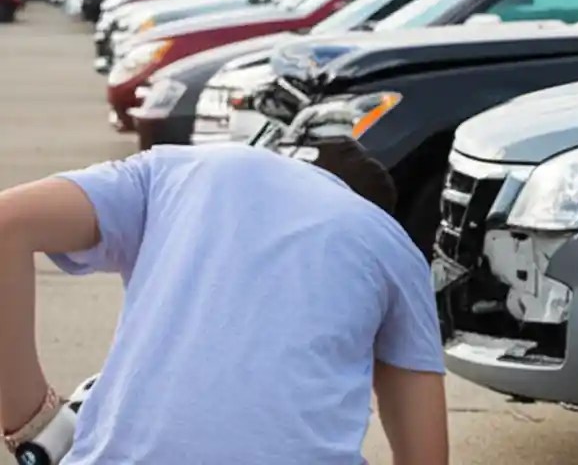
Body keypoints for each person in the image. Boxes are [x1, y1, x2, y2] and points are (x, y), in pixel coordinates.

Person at [0, 139, 448, 464]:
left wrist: (33, 425)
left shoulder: (172, 171)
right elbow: (424, 454)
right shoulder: (392, 245)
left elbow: (7, 222)